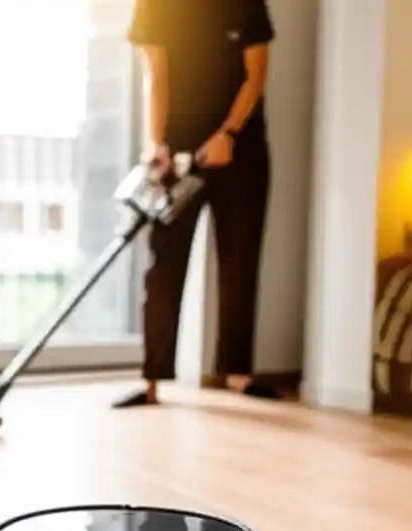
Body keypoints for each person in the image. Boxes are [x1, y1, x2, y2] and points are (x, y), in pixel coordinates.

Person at [114, 0, 280, 408]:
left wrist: (229, 134)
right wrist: (157, 143)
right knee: (163, 266)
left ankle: (238, 374)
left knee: (240, 263)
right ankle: (152, 380)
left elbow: (255, 75)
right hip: (179, 155)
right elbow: (156, 74)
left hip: (240, 152)